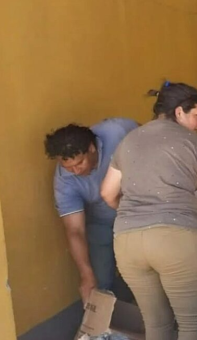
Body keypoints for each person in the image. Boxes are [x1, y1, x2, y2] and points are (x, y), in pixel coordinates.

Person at [100, 82, 197, 340]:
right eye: (196, 115)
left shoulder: (128, 140)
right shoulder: (194, 142)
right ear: (179, 112)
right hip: (176, 239)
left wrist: (136, 216)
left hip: (127, 241)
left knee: (155, 323)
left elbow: (107, 193)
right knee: (191, 324)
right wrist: (187, 224)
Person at [45, 118, 139, 304]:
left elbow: (154, 146)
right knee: (100, 284)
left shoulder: (117, 132)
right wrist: (86, 275)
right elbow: (75, 230)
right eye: (68, 167)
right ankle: (105, 330)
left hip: (138, 218)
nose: (75, 171)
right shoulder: (65, 180)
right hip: (101, 225)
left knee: (146, 278)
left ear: (92, 148)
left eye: (79, 163)